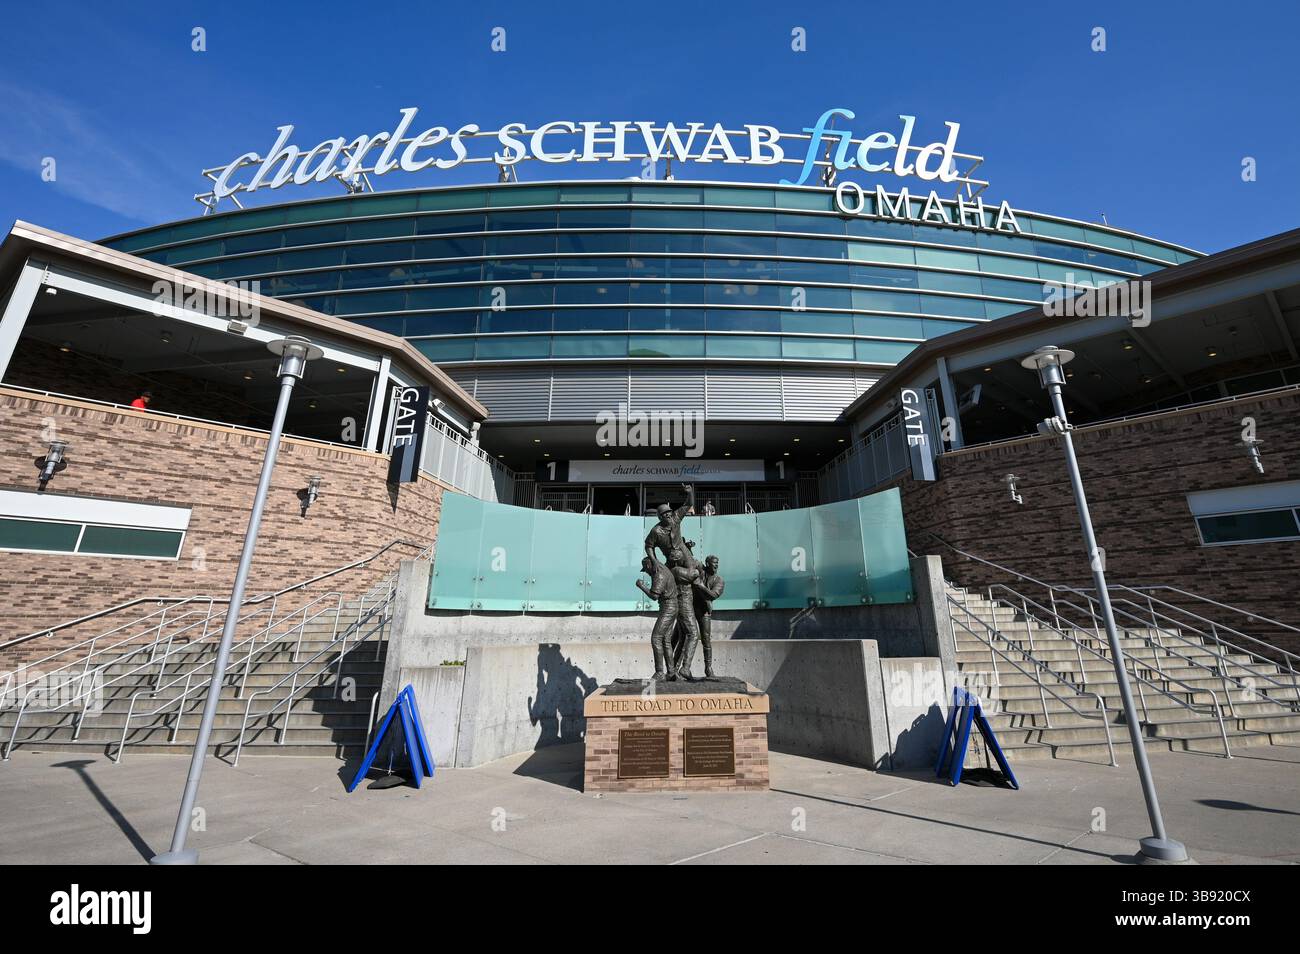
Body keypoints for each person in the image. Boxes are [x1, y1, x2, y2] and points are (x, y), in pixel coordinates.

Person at [635, 555, 678, 679]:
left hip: (669, 607)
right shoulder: (661, 570)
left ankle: (660, 672)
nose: (647, 573)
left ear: (649, 565)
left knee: (656, 638)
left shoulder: (659, 574)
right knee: (665, 640)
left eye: (646, 569)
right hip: (671, 606)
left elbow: (654, 596)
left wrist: (641, 586)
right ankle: (671, 672)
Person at [666, 546, 702, 681]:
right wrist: (694, 563)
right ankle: (685, 668)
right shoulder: (677, 571)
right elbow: (695, 574)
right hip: (684, 604)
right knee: (693, 634)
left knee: (683, 637)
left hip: (682, 604)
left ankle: (674, 669)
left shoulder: (671, 570)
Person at [692, 555, 725, 680]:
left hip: (704, 611)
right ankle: (679, 668)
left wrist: (700, 586)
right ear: (707, 563)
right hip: (690, 607)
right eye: (713, 563)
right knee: (686, 637)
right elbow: (693, 561)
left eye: (717, 563)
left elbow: (712, 595)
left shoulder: (719, 580)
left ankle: (708, 667)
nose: (716, 565)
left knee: (706, 640)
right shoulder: (702, 571)